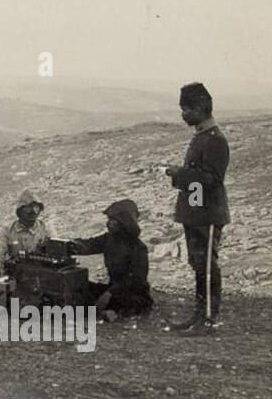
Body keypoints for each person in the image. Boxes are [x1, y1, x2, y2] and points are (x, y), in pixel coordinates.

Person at [164, 82, 231, 332]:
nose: (183, 114)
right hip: (197, 212)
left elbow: (211, 179)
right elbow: (199, 179)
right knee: (199, 265)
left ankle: (209, 319)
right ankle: (199, 315)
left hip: (209, 215)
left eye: (187, 109)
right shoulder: (202, 137)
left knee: (207, 267)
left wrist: (180, 174)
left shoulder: (214, 140)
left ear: (202, 108)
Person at [66, 199, 153, 320]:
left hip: (132, 293)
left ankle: (110, 312)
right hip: (112, 288)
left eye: (114, 220)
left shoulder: (138, 248)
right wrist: (69, 245)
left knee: (127, 302)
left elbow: (136, 281)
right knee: (82, 287)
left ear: (125, 222)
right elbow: (90, 245)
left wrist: (110, 293)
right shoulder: (109, 239)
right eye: (109, 220)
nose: (109, 223)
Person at [0, 188, 52, 267]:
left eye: (36, 208)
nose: (33, 212)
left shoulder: (45, 229)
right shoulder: (7, 231)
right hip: (15, 274)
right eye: (28, 208)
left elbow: (56, 253)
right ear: (20, 211)